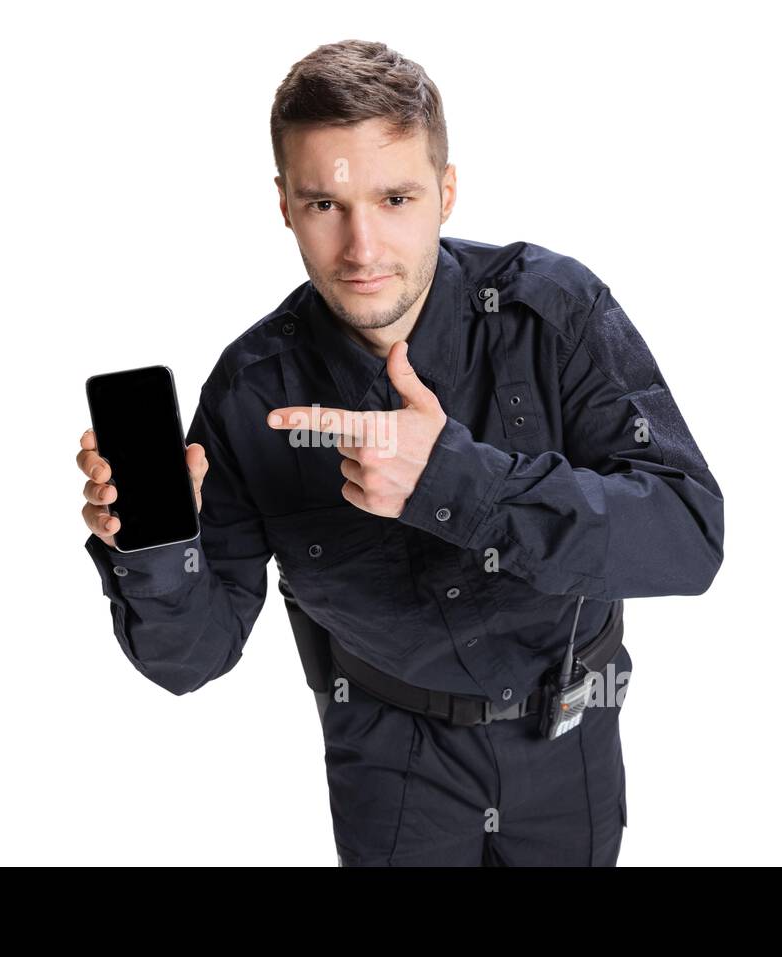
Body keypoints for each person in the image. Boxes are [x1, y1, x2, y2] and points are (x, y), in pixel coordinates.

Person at [77, 39, 724, 866]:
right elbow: (190, 661)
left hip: (567, 734)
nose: (362, 249)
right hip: (389, 758)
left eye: (395, 197)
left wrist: (463, 481)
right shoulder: (250, 391)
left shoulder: (553, 311)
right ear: (283, 205)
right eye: (324, 205)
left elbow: (689, 537)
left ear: (447, 192)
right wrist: (157, 552)